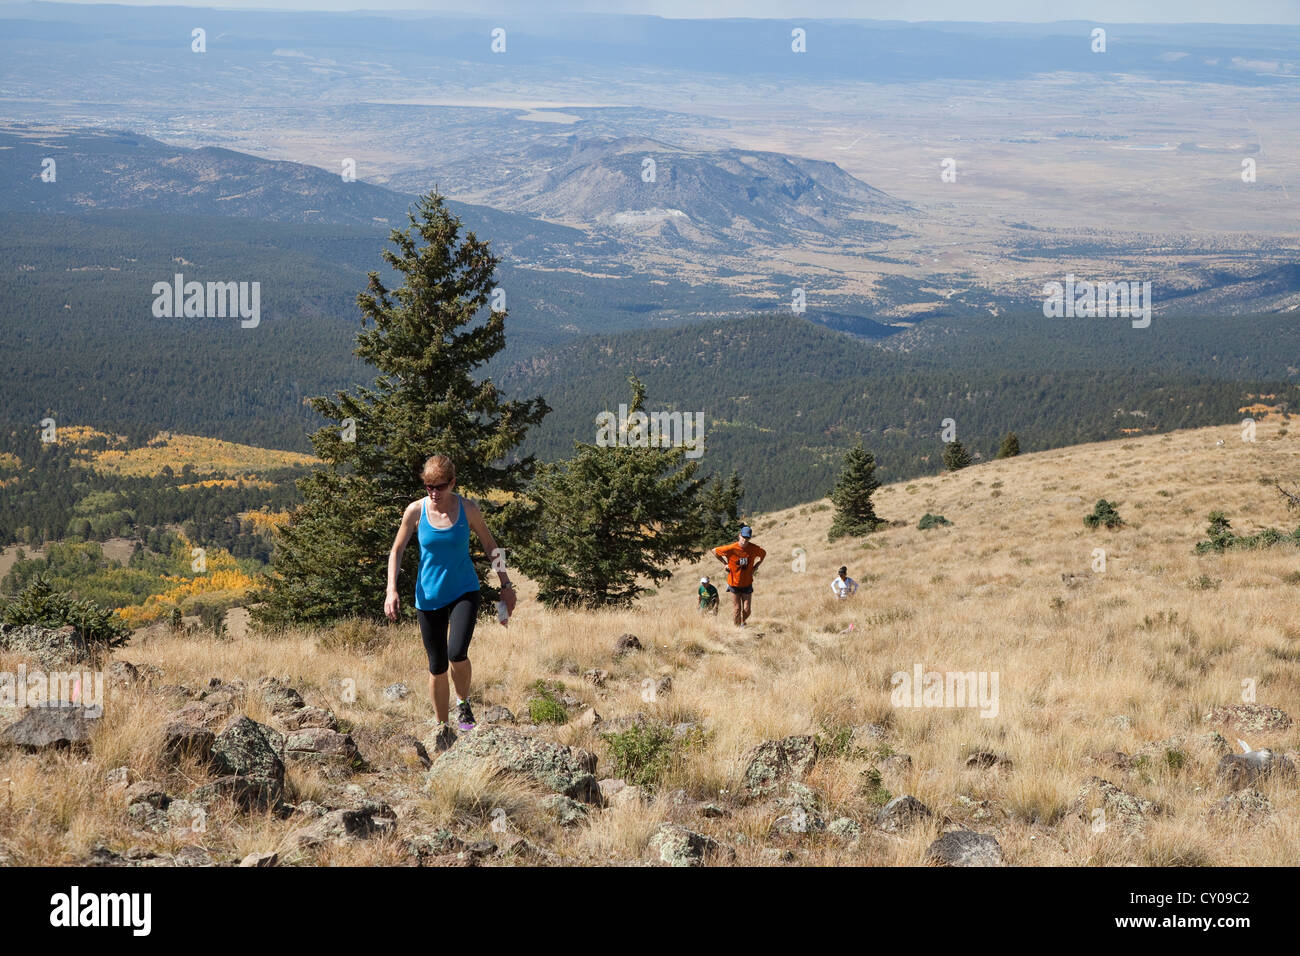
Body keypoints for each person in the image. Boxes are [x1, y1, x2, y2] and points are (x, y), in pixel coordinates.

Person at [385, 454, 516, 751]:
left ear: (453, 483)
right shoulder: (415, 511)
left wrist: (506, 584)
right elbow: (396, 550)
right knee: (437, 665)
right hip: (428, 596)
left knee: (457, 653)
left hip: (463, 591)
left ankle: (464, 704)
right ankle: (443, 728)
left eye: (440, 486)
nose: (434, 492)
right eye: (429, 486)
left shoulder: (468, 509)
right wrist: (391, 589)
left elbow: (490, 544)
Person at [712, 525, 766, 628]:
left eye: (747, 538)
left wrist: (756, 566)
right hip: (734, 583)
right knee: (737, 609)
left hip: (747, 583)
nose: (745, 540)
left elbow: (763, 554)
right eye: (743, 537)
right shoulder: (731, 548)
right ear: (739, 535)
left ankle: (742, 621)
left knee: (747, 609)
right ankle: (737, 629)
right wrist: (725, 563)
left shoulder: (754, 548)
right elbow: (714, 551)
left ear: (750, 538)